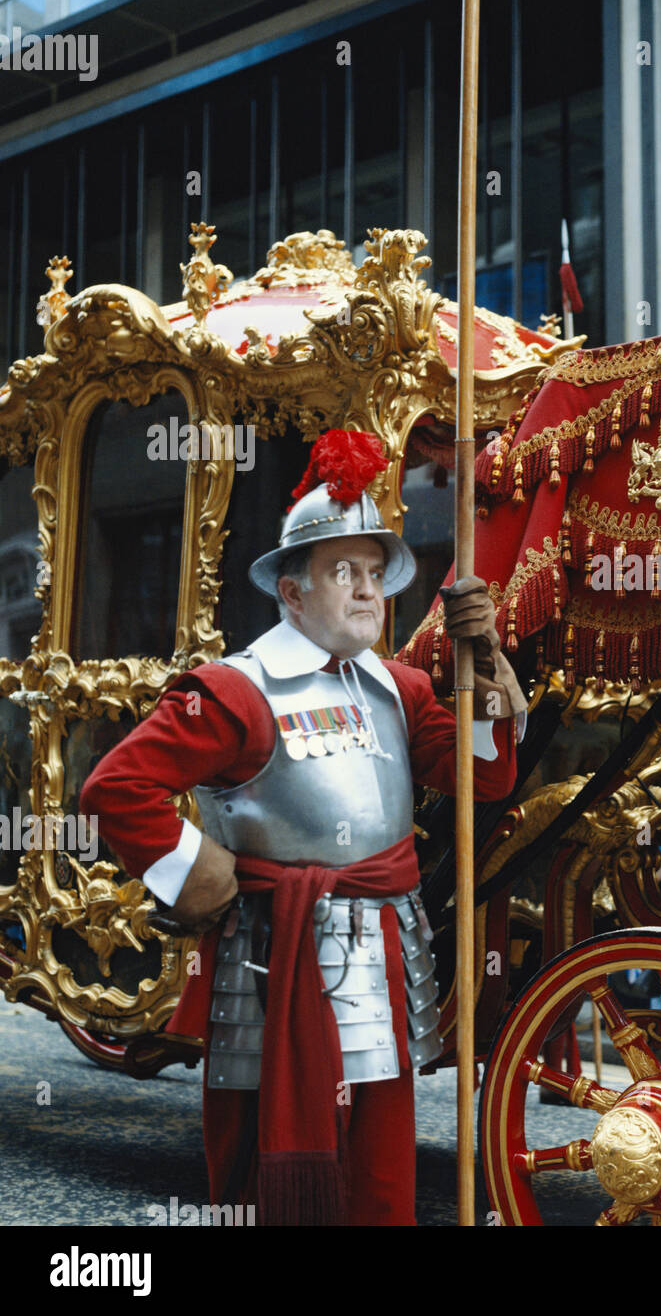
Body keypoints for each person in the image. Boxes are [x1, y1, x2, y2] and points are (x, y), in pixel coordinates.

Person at [82, 430, 522, 1225]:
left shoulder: (403, 687)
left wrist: (478, 666)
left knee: (382, 1176)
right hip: (268, 961)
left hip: (383, 957)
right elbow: (117, 787)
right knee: (258, 1174)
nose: (366, 592)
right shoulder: (233, 691)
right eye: (341, 572)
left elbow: (482, 778)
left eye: (374, 574)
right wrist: (195, 869)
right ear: (292, 593)